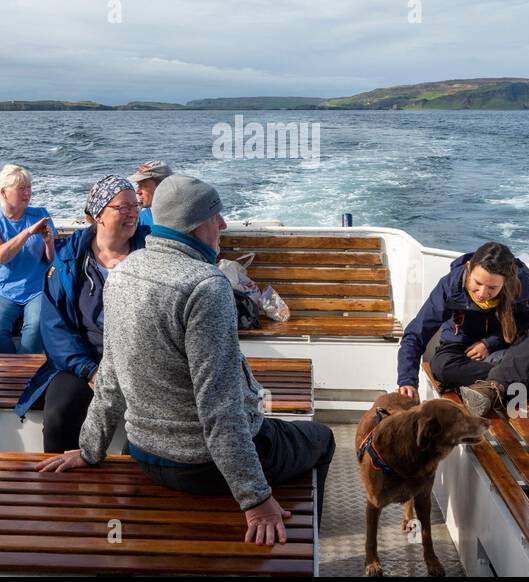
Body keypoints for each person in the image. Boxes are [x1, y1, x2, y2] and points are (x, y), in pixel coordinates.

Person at [38, 175, 335, 546]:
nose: (224, 224)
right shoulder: (206, 287)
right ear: (195, 225)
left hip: (145, 455)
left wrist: (89, 450)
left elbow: (109, 377)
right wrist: (255, 500)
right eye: (217, 216)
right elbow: (220, 409)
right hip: (203, 467)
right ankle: (316, 547)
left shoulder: (124, 272)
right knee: (322, 438)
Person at [15, 175, 149, 452]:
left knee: (154, 420)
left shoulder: (152, 251)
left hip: (142, 362)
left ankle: (139, 488)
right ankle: (63, 490)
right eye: (123, 207)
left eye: (135, 206)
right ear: (98, 214)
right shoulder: (68, 258)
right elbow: (54, 327)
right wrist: (90, 371)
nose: (133, 213)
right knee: (58, 417)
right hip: (83, 362)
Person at [397, 241, 529, 417]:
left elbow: (521, 326)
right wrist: (407, 380)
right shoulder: (451, 285)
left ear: (506, 282)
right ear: (468, 268)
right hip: (463, 349)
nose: (482, 293)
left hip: (503, 347)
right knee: (441, 367)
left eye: (492, 287)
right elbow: (416, 333)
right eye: (478, 283)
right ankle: (527, 376)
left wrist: (488, 343)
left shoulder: (521, 284)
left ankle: (494, 386)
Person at [0, 164, 55, 355]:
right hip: (2, 291)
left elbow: (50, 259)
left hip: (36, 289)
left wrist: (49, 242)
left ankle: (25, 377)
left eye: (29, 187)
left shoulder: (41, 215)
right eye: (21, 188)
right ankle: (7, 371)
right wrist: (28, 233)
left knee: (36, 328)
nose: (28, 193)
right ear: (4, 192)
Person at [126, 160, 173, 228]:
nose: (138, 191)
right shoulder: (137, 222)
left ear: (162, 186)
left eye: (144, 185)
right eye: (138, 185)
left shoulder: (185, 219)